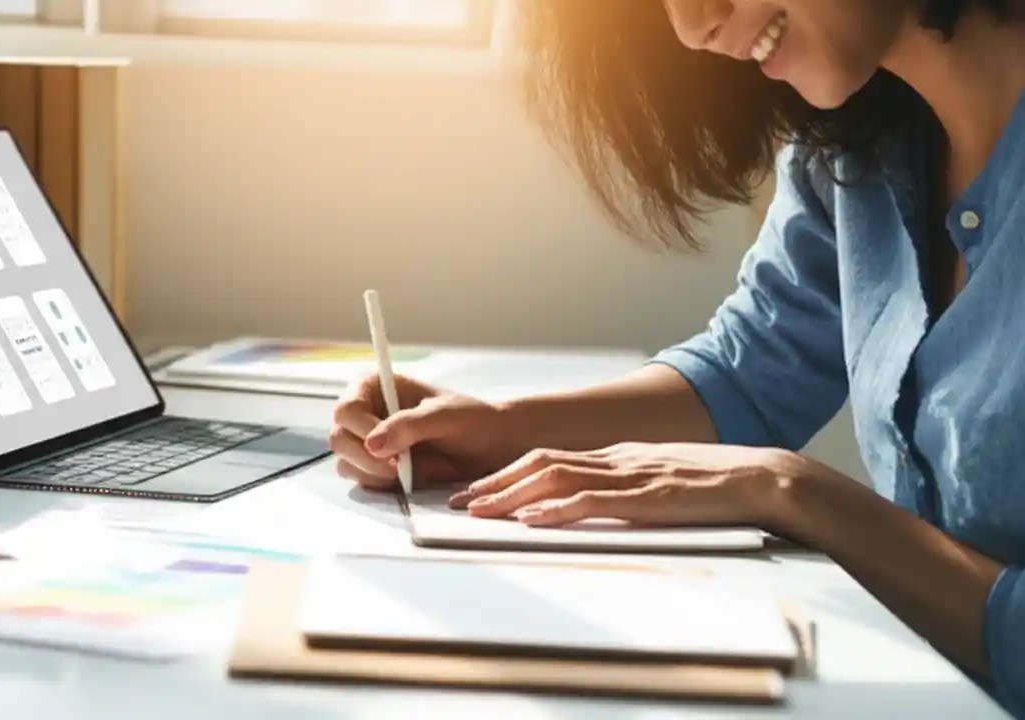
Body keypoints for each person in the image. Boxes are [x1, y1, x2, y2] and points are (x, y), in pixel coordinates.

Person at [329, 0, 1025, 715]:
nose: (693, 27)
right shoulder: (855, 148)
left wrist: (794, 493)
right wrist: (496, 427)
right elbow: (747, 371)